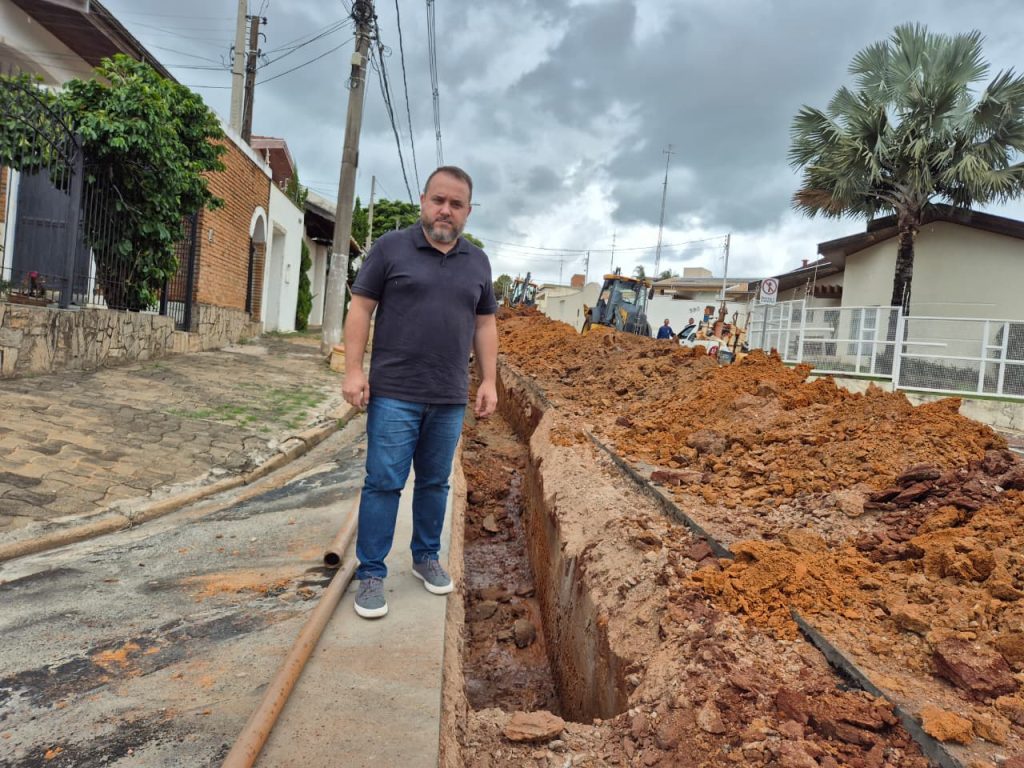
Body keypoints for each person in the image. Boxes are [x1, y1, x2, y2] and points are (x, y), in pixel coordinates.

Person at [342, 166, 498, 619]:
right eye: (438, 200)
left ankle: (425, 557)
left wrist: (488, 380)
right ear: (423, 201)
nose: (445, 210)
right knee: (384, 482)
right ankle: (371, 572)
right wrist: (354, 371)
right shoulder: (391, 248)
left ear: (468, 211)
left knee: (434, 483)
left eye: (456, 204)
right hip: (394, 394)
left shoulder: (478, 262)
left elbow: (485, 324)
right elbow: (361, 308)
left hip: (449, 396)